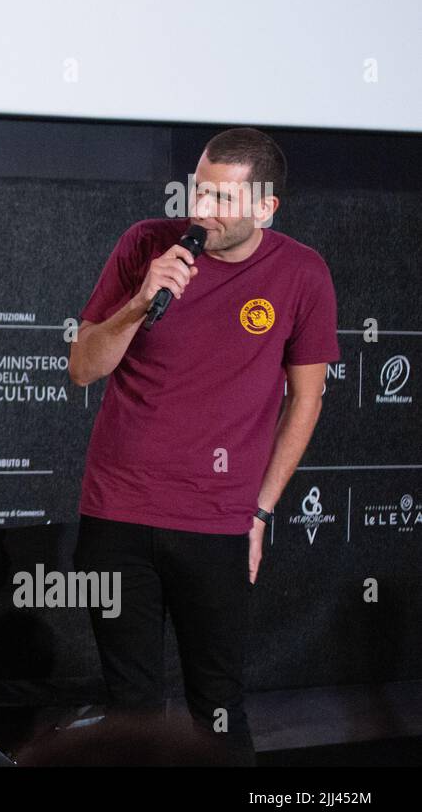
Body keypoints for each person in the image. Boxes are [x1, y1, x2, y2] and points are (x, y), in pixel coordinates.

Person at [67, 127, 340, 765]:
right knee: (130, 713)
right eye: (198, 190)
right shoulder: (145, 245)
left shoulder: (302, 273)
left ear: (265, 208)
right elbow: (84, 366)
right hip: (117, 516)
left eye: (221, 199)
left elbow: (307, 399)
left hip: (217, 521)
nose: (201, 211)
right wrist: (139, 301)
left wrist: (261, 510)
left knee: (217, 709)